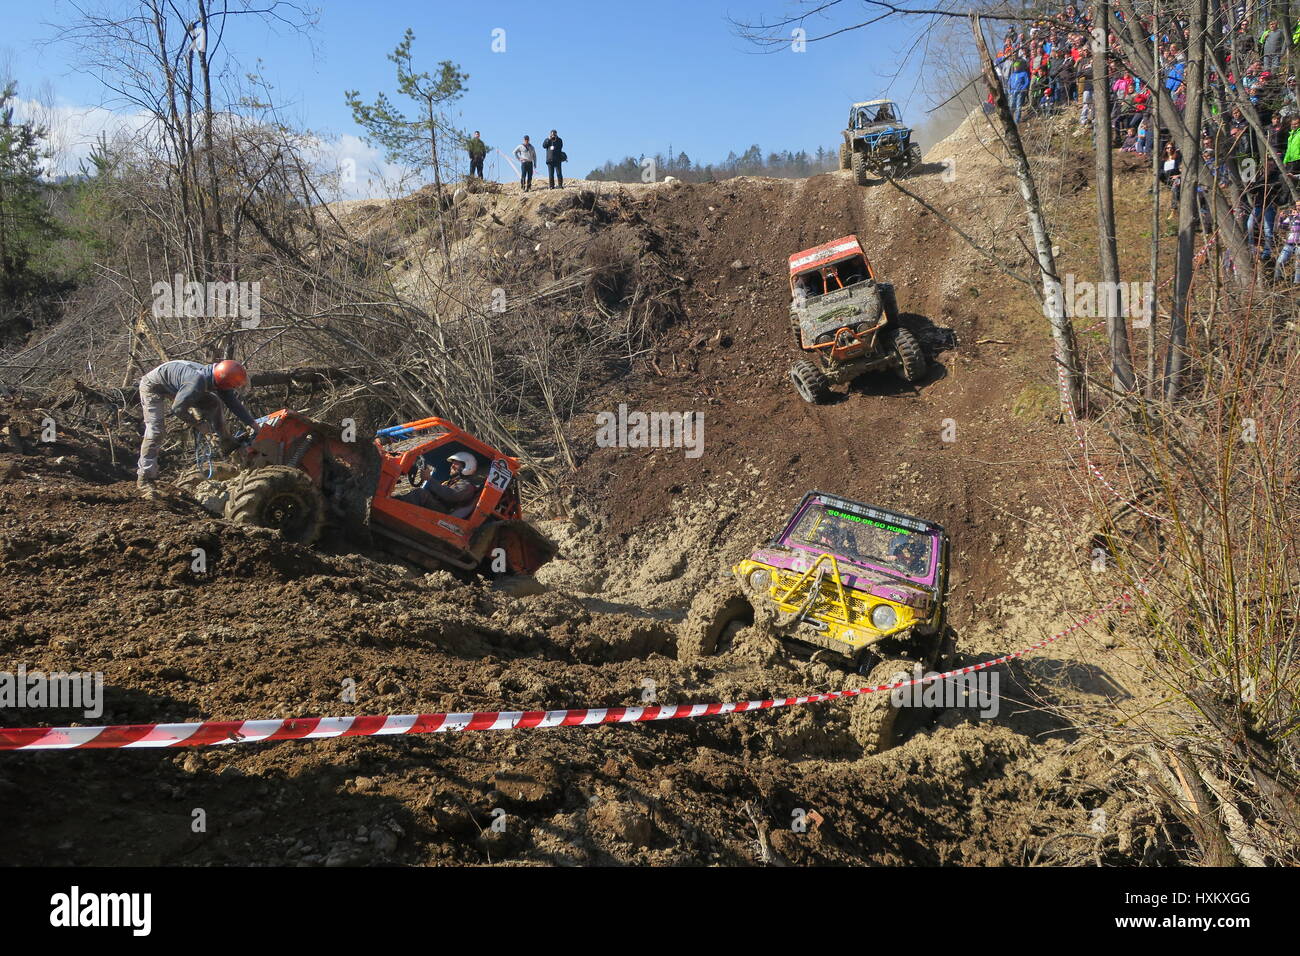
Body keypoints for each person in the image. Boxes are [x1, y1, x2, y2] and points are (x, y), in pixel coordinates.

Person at [136, 359, 256, 496]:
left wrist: (254, 425)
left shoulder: (219, 376)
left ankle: (226, 443)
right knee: (156, 430)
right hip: (153, 386)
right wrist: (200, 425)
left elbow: (234, 404)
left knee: (214, 403)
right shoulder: (197, 382)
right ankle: (145, 478)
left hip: (178, 384)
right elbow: (178, 409)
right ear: (224, 382)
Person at [398, 452, 480, 516]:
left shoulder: (467, 486)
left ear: (467, 466)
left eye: (456, 463)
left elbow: (451, 495)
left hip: (445, 514)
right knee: (421, 493)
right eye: (452, 463)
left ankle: (397, 508)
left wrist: (429, 479)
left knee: (421, 494)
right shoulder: (452, 481)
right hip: (439, 508)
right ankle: (396, 502)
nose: (452, 466)